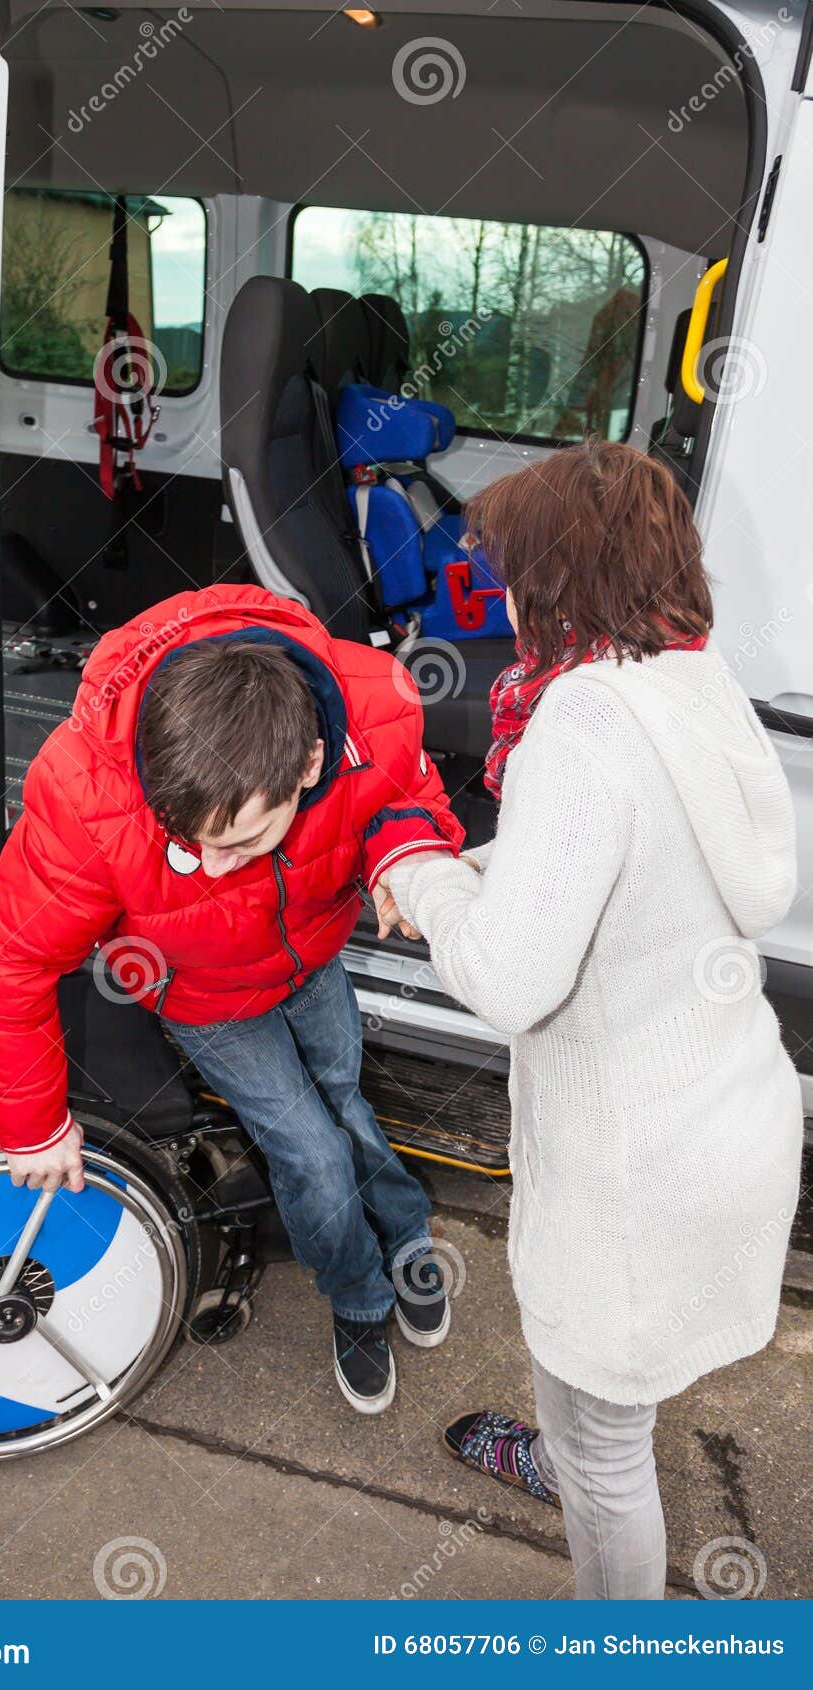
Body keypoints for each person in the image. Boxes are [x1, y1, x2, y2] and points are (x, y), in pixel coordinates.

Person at [381, 441, 802, 1597]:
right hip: (725, 1121)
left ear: (556, 578)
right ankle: (570, 1459)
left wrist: (417, 872)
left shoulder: (576, 723)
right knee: (612, 1401)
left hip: (634, 1171)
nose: (497, 596)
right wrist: (468, 866)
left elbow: (509, 979)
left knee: (609, 1447)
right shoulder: (684, 681)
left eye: (510, 571)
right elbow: (607, 859)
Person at [0, 585, 465, 1415]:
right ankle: (360, 1298)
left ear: (308, 761)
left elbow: (407, 796)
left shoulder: (378, 704)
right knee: (310, 1150)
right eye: (192, 843)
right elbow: (3, 963)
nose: (217, 866)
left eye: (242, 841)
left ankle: (406, 1239)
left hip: (312, 958)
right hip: (204, 995)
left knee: (346, 1105)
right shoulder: (88, 791)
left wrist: (407, 856)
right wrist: (35, 1128)